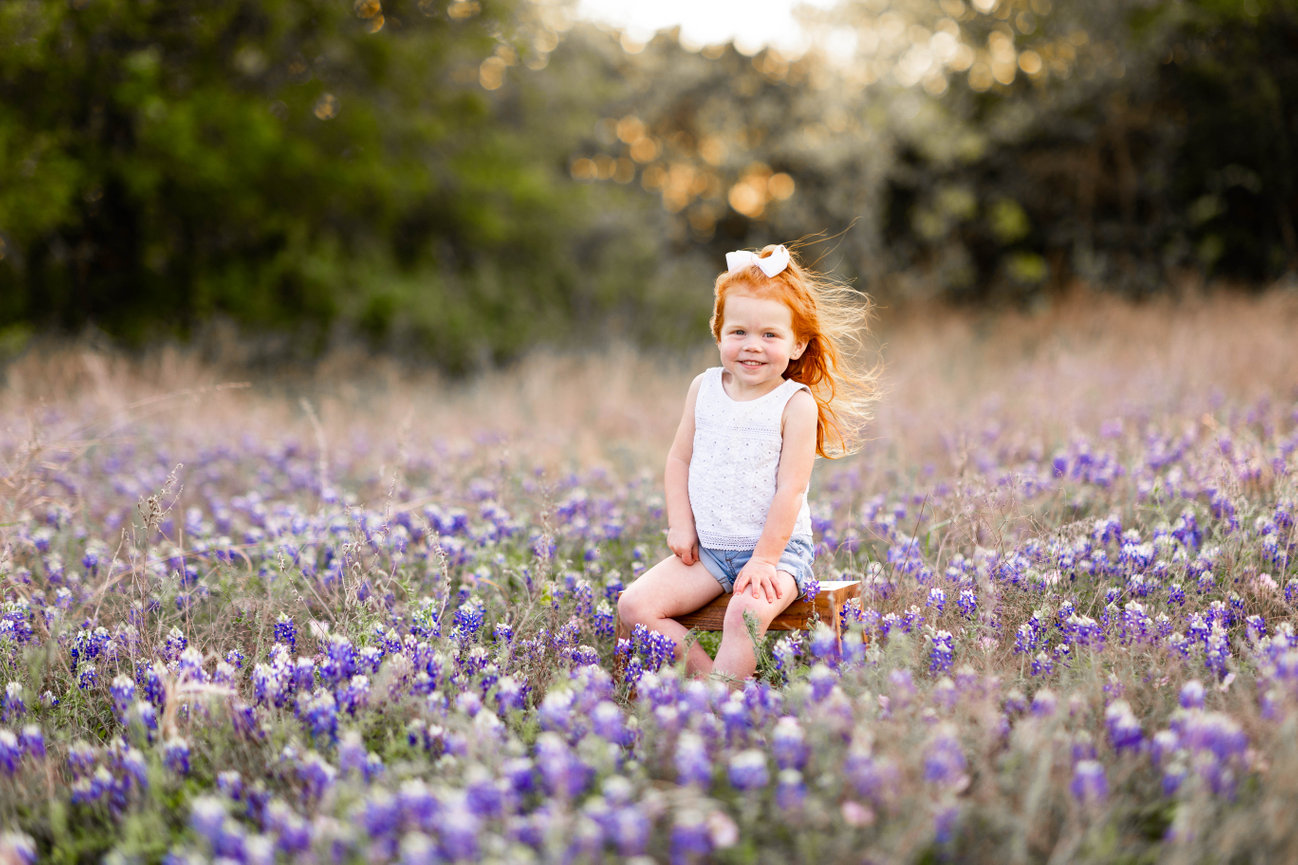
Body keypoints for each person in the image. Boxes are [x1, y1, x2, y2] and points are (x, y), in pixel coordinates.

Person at [617, 243, 876, 682]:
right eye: (738, 332)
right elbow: (679, 459)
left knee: (744, 617)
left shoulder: (795, 404)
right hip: (710, 550)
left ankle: (720, 703)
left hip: (777, 555)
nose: (752, 346)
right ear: (718, 333)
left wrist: (764, 561)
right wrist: (681, 523)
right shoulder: (703, 388)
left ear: (798, 344)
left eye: (770, 335)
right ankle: (718, 693)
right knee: (634, 605)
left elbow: (790, 491)